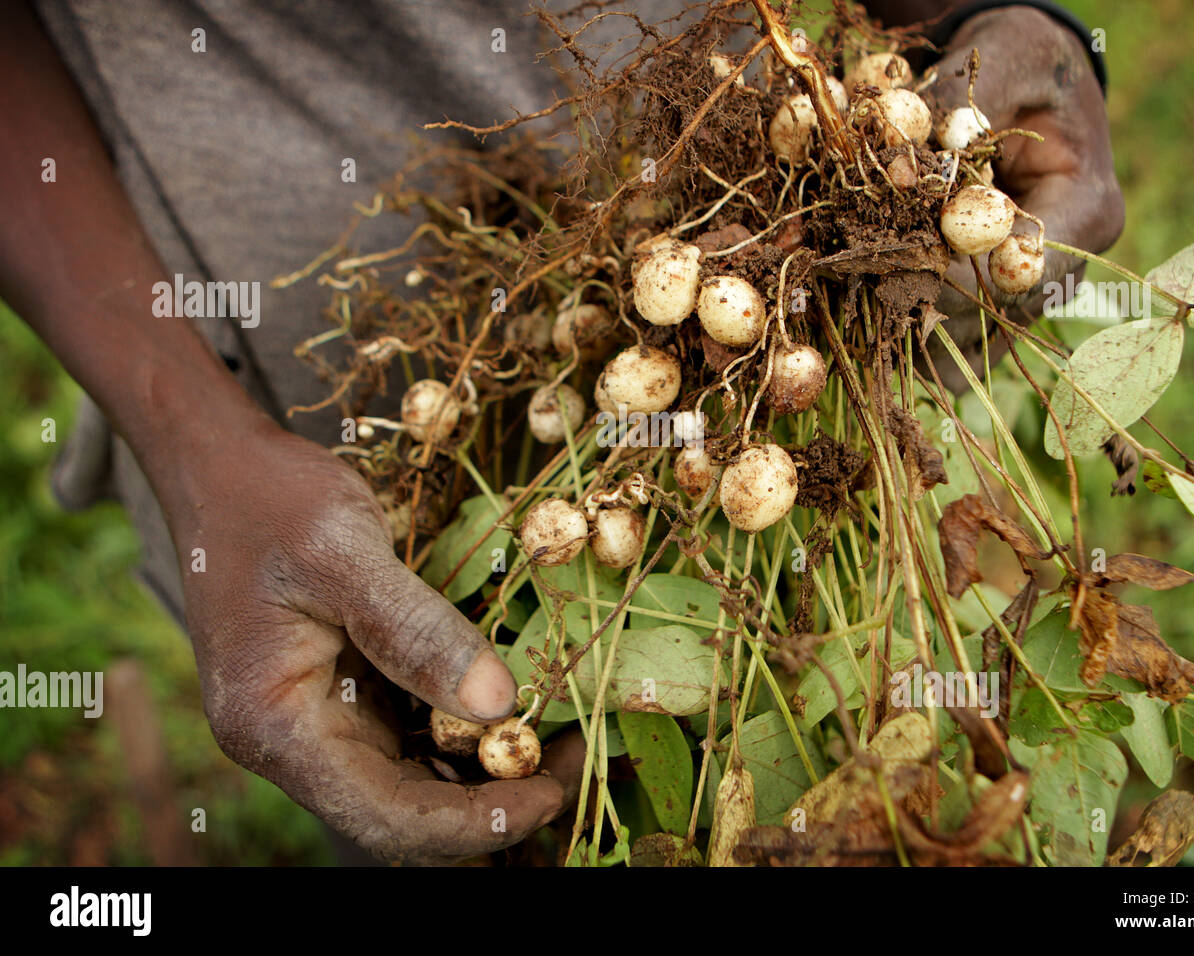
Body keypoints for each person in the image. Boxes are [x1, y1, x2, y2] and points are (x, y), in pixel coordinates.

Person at [0, 0, 1121, 864]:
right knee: (446, 771)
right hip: (308, 414)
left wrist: (1001, 22)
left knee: (856, 655)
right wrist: (193, 438)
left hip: (785, 234)